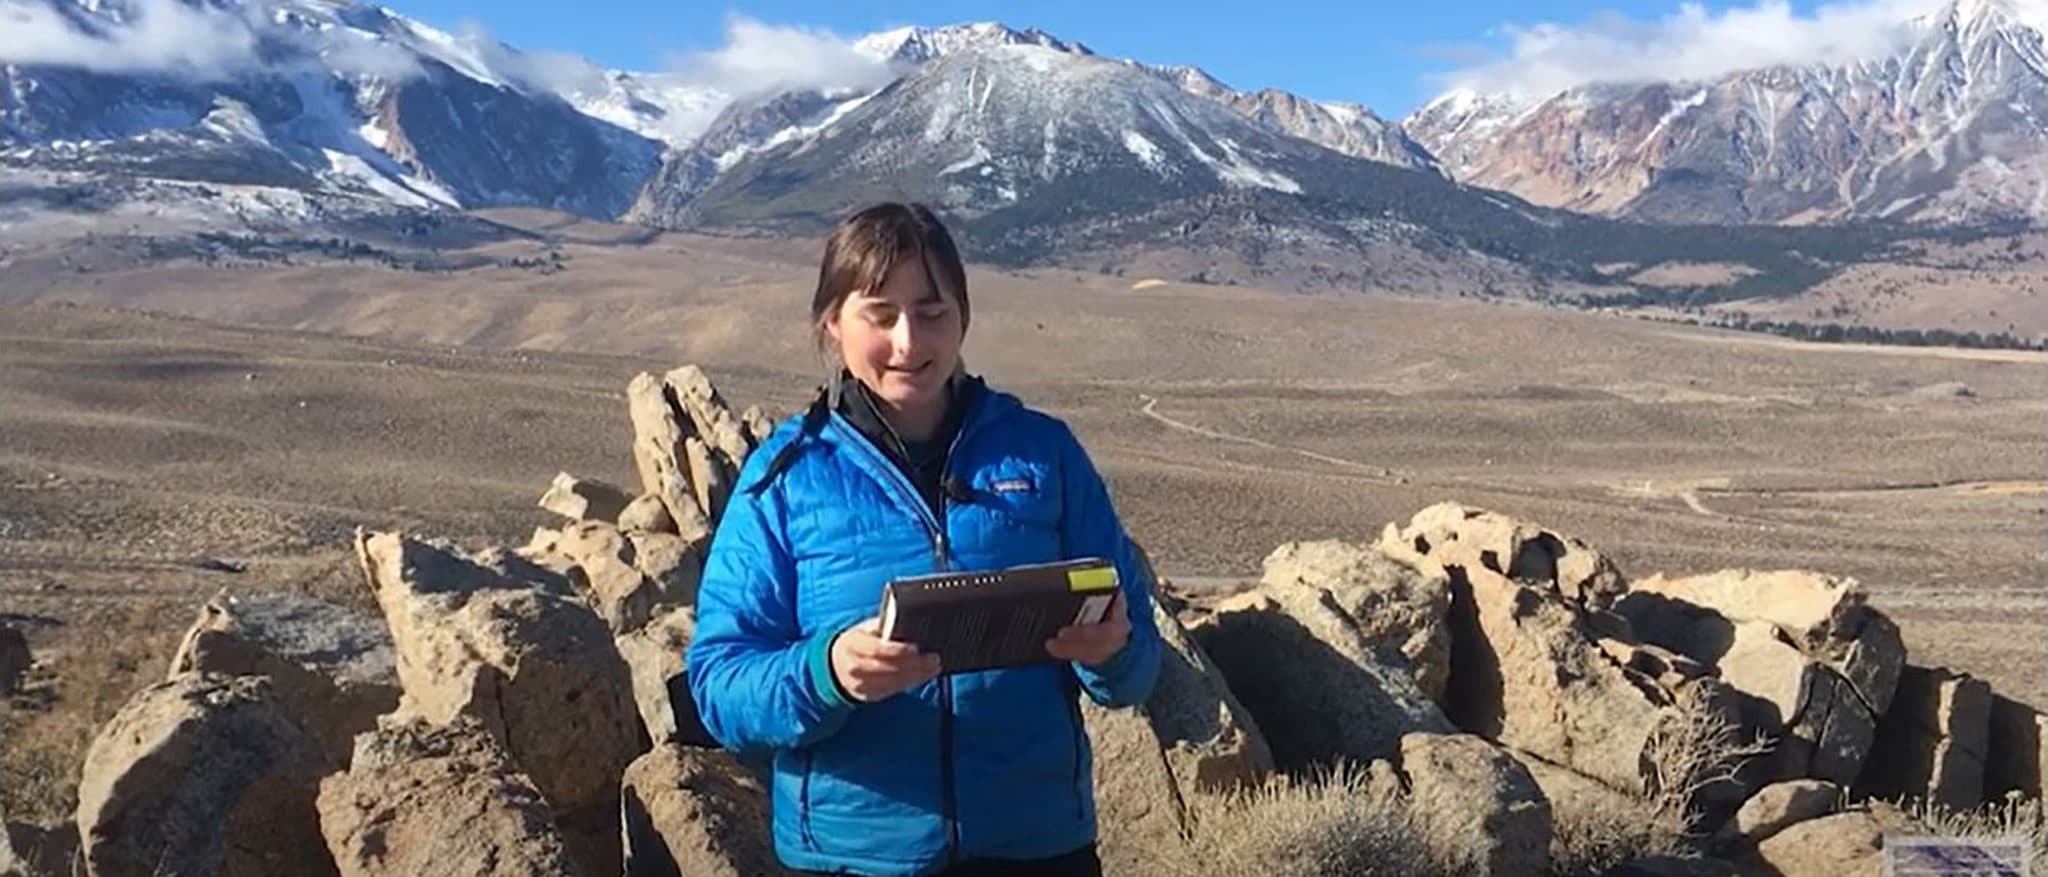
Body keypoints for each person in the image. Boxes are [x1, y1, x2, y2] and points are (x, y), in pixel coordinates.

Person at [686, 202, 1163, 877]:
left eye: (933, 312)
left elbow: (1138, 667)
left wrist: (1109, 653)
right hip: (850, 856)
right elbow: (720, 686)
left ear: (963, 317)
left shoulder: (1044, 454)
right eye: (879, 314)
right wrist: (827, 672)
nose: (909, 341)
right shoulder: (786, 475)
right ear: (832, 324)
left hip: (1036, 845)